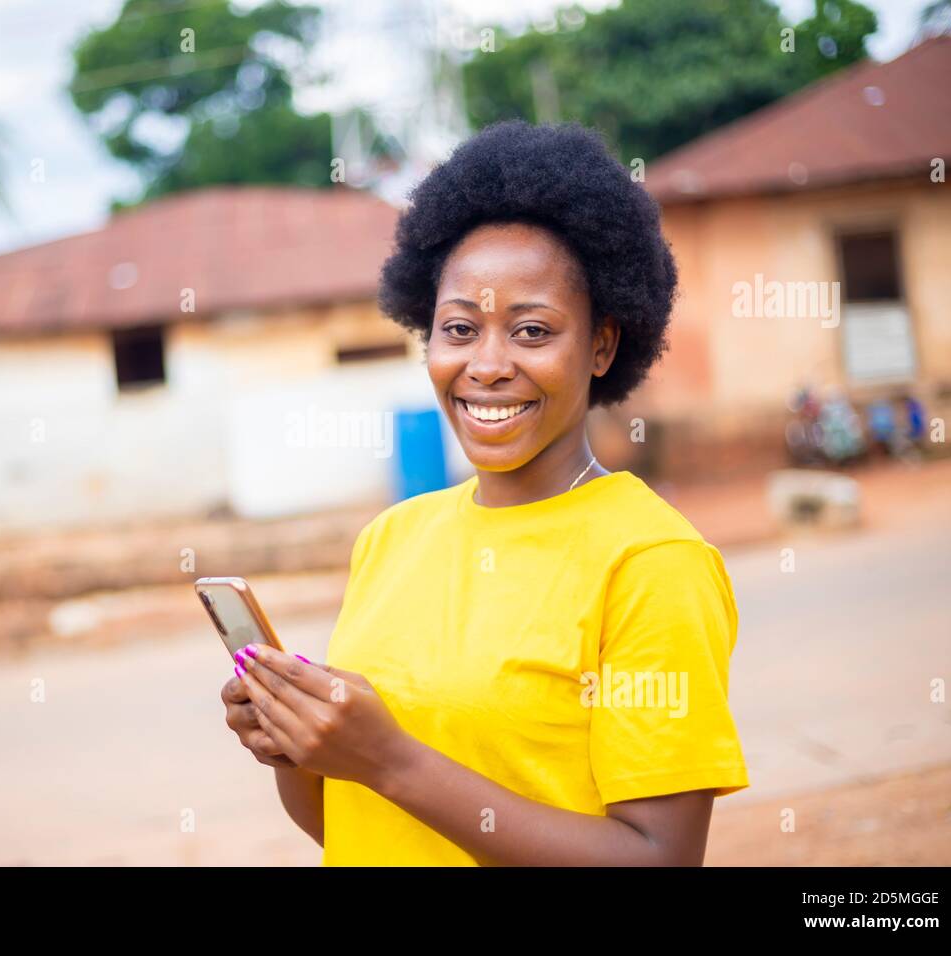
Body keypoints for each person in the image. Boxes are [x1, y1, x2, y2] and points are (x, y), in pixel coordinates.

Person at [221, 120, 749, 866]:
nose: (488, 365)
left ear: (601, 345)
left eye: (532, 331)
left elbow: (657, 859)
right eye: (459, 328)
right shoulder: (392, 538)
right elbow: (357, 826)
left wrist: (388, 759)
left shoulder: (650, 561)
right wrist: (300, 748)